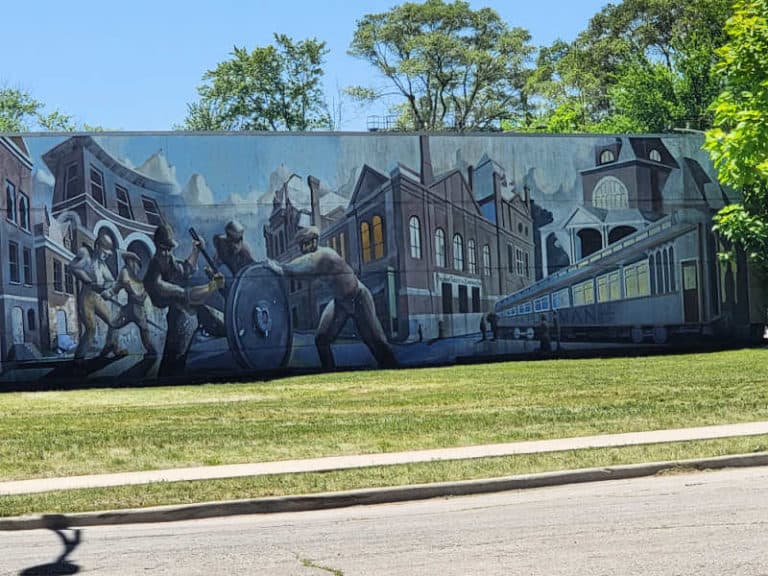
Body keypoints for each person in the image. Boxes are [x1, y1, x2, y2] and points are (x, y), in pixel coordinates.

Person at [266, 226, 397, 370]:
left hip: (358, 297)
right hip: (340, 302)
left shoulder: (325, 255)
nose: (303, 248)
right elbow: (301, 262)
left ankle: (392, 369)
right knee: (321, 339)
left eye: (305, 244)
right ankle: (329, 371)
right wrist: (281, 267)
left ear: (314, 242)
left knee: (377, 342)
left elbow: (305, 265)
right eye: (301, 245)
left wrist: (281, 268)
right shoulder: (313, 256)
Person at [144, 223, 225, 377]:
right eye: (163, 249)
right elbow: (187, 295)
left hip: (190, 311)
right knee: (173, 367)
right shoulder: (156, 280)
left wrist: (195, 250)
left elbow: (186, 269)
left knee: (224, 326)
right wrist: (212, 286)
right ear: (157, 247)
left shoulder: (169, 261)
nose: (167, 253)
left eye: (169, 249)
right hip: (179, 320)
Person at [69, 235, 123, 360]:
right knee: (91, 329)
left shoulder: (102, 266)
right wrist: (87, 280)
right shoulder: (86, 258)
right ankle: (78, 359)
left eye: (108, 254)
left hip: (97, 298)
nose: (107, 256)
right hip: (86, 299)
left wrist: (109, 290)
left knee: (114, 322)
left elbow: (111, 281)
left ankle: (112, 346)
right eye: (105, 252)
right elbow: (72, 267)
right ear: (97, 247)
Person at [101, 250, 157, 360]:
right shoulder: (125, 274)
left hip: (139, 311)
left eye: (132, 262)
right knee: (113, 325)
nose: (130, 264)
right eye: (128, 261)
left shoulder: (140, 281)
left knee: (145, 332)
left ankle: (151, 351)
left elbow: (145, 295)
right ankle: (110, 347)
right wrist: (108, 293)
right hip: (128, 309)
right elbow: (116, 287)